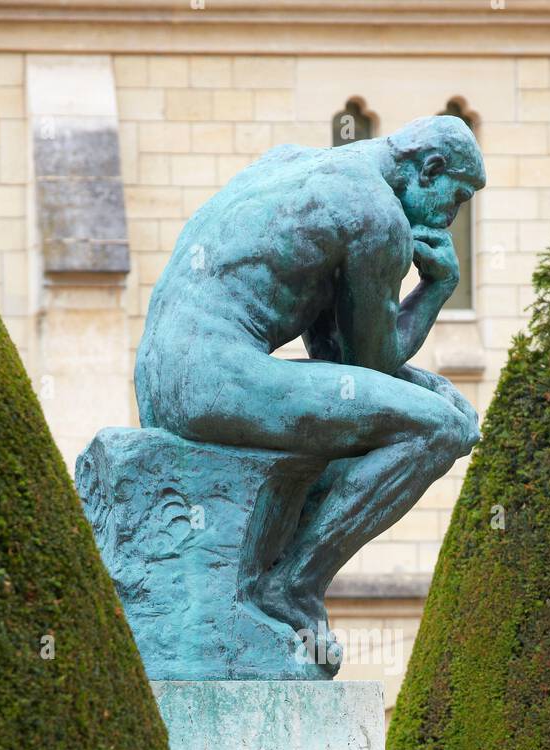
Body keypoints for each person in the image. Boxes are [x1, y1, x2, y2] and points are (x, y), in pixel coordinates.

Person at [134, 115, 485, 645]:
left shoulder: (290, 161)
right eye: (455, 198)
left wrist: (420, 383)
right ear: (429, 169)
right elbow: (371, 366)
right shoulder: (378, 217)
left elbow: (333, 356)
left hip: (165, 377)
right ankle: (294, 585)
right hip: (214, 381)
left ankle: (269, 556)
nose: (450, 217)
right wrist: (438, 288)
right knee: (441, 430)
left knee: (421, 411)